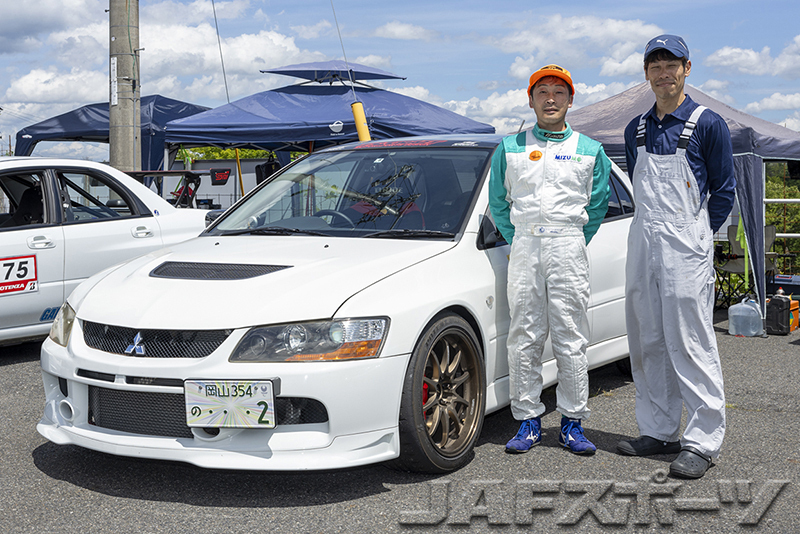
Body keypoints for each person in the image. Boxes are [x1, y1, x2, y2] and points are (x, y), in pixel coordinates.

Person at [617, 35, 736, 479]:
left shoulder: (708, 123)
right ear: (646, 73)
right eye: (655, 65)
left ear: (687, 68)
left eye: (671, 65)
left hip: (686, 239)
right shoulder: (637, 129)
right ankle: (659, 429)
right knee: (647, 336)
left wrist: (698, 233)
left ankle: (703, 441)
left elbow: (723, 191)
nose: (663, 73)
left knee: (690, 338)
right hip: (644, 236)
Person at [489, 64, 611, 455]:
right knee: (524, 334)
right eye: (543, 91)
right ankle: (528, 421)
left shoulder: (590, 150)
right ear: (531, 99)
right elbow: (498, 202)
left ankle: (572, 422)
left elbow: (596, 206)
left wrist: (572, 239)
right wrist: (518, 240)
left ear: (571, 99)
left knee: (571, 336)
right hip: (525, 245)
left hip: (568, 246)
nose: (551, 98)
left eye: (559, 91)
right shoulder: (509, 147)